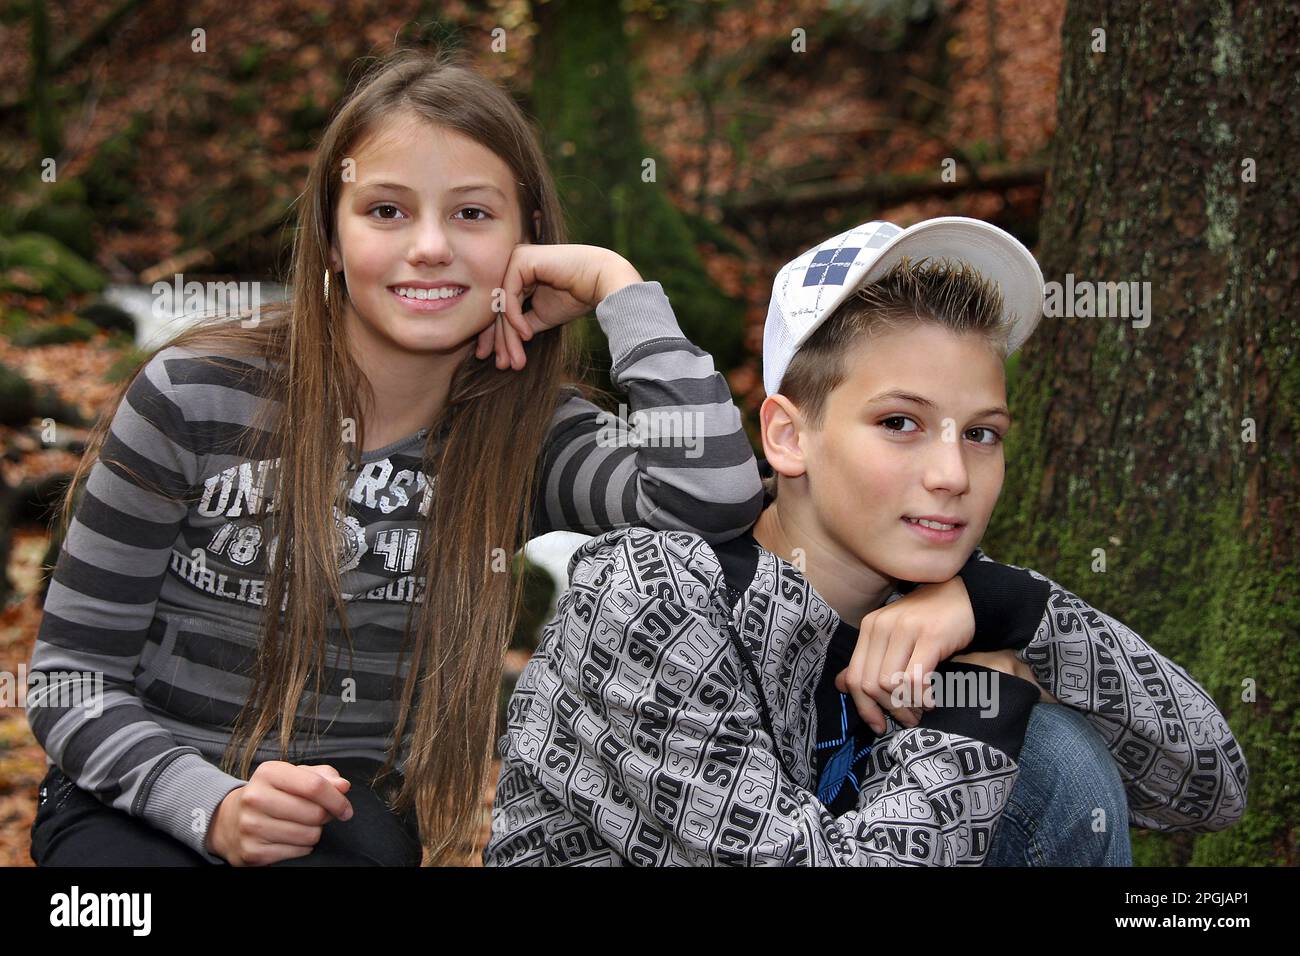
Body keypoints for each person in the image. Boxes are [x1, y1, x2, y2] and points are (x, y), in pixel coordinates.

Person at [24, 47, 765, 867]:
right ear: (331, 241)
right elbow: (71, 678)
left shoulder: (527, 437)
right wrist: (215, 807)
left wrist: (616, 289)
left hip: (341, 819)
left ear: (530, 244)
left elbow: (712, 501)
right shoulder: (195, 394)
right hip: (132, 804)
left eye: (474, 215)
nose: (430, 248)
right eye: (386, 211)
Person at [483, 217, 1249, 866]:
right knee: (1016, 730)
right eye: (899, 423)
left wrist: (1008, 608)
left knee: (1055, 759)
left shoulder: (936, 597)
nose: (953, 474)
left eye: (981, 433)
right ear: (788, 435)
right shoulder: (655, 593)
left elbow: (1210, 787)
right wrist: (979, 710)